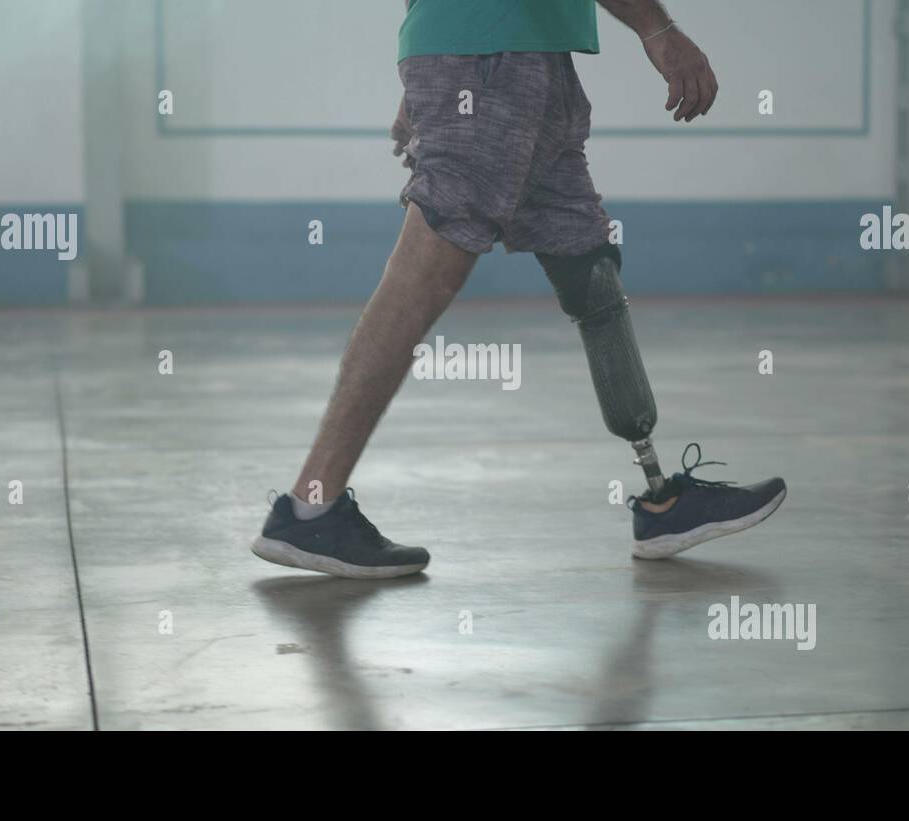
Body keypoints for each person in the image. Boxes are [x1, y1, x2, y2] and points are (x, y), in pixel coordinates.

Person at [253, 0, 786, 579]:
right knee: (423, 273)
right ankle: (311, 507)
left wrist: (434, 60)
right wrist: (658, 27)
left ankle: (662, 501)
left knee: (589, 265)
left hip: (518, 55)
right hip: (491, 56)